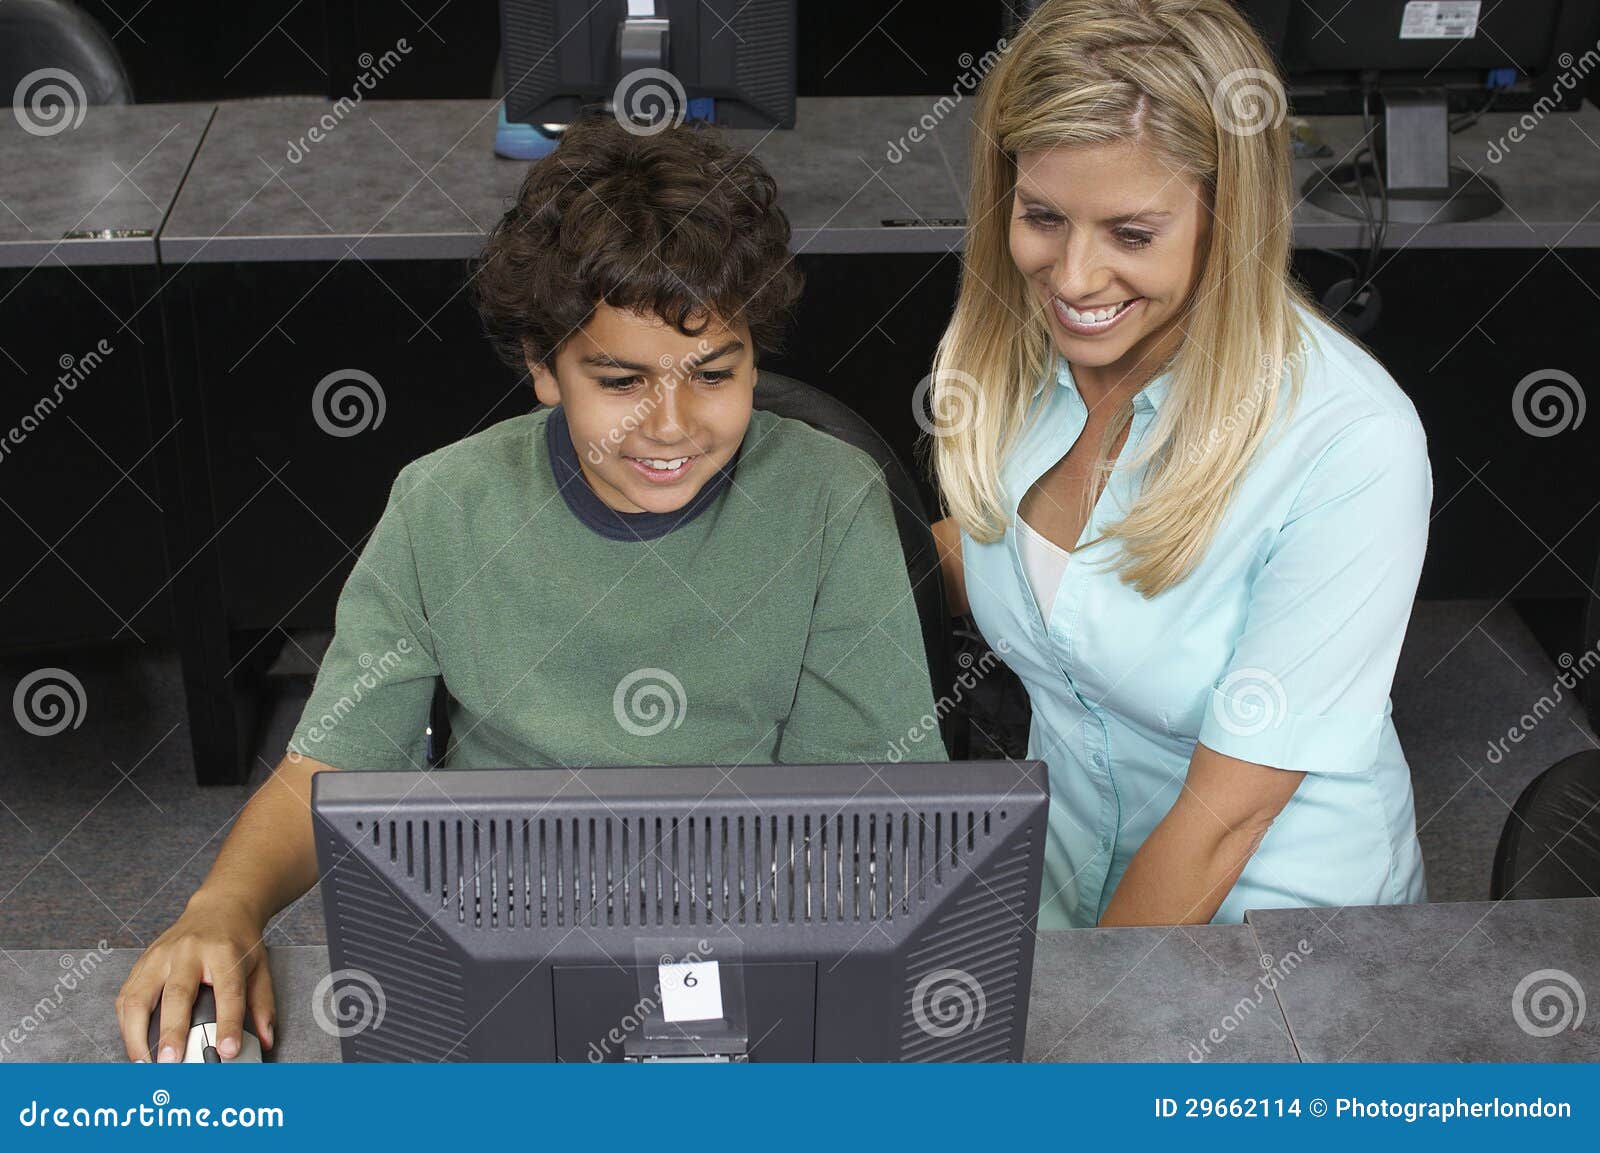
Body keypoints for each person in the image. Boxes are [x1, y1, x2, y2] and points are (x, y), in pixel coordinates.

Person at [115, 114, 942, 1061]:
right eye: (621, 380)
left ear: (755, 355)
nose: (672, 424)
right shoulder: (442, 507)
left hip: (753, 933)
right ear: (545, 367)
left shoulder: (832, 499)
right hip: (504, 934)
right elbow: (328, 768)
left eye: (715, 373)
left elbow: (869, 813)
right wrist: (223, 905)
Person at [930, 0, 1429, 929]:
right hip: (1062, 875)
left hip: (1271, 918)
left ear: (1226, 219)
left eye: (1131, 234)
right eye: (1043, 217)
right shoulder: (1023, 355)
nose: (1073, 278)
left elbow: (1224, 818)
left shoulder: (1351, 440)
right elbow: (1008, 555)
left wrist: (1085, 1007)